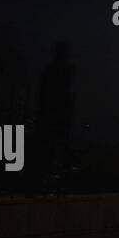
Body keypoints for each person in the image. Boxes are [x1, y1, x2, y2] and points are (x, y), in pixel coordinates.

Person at [36, 41, 76, 185]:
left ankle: (50, 179)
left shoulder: (51, 71)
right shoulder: (62, 72)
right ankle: (53, 179)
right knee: (54, 149)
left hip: (53, 116)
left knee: (52, 149)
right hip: (56, 117)